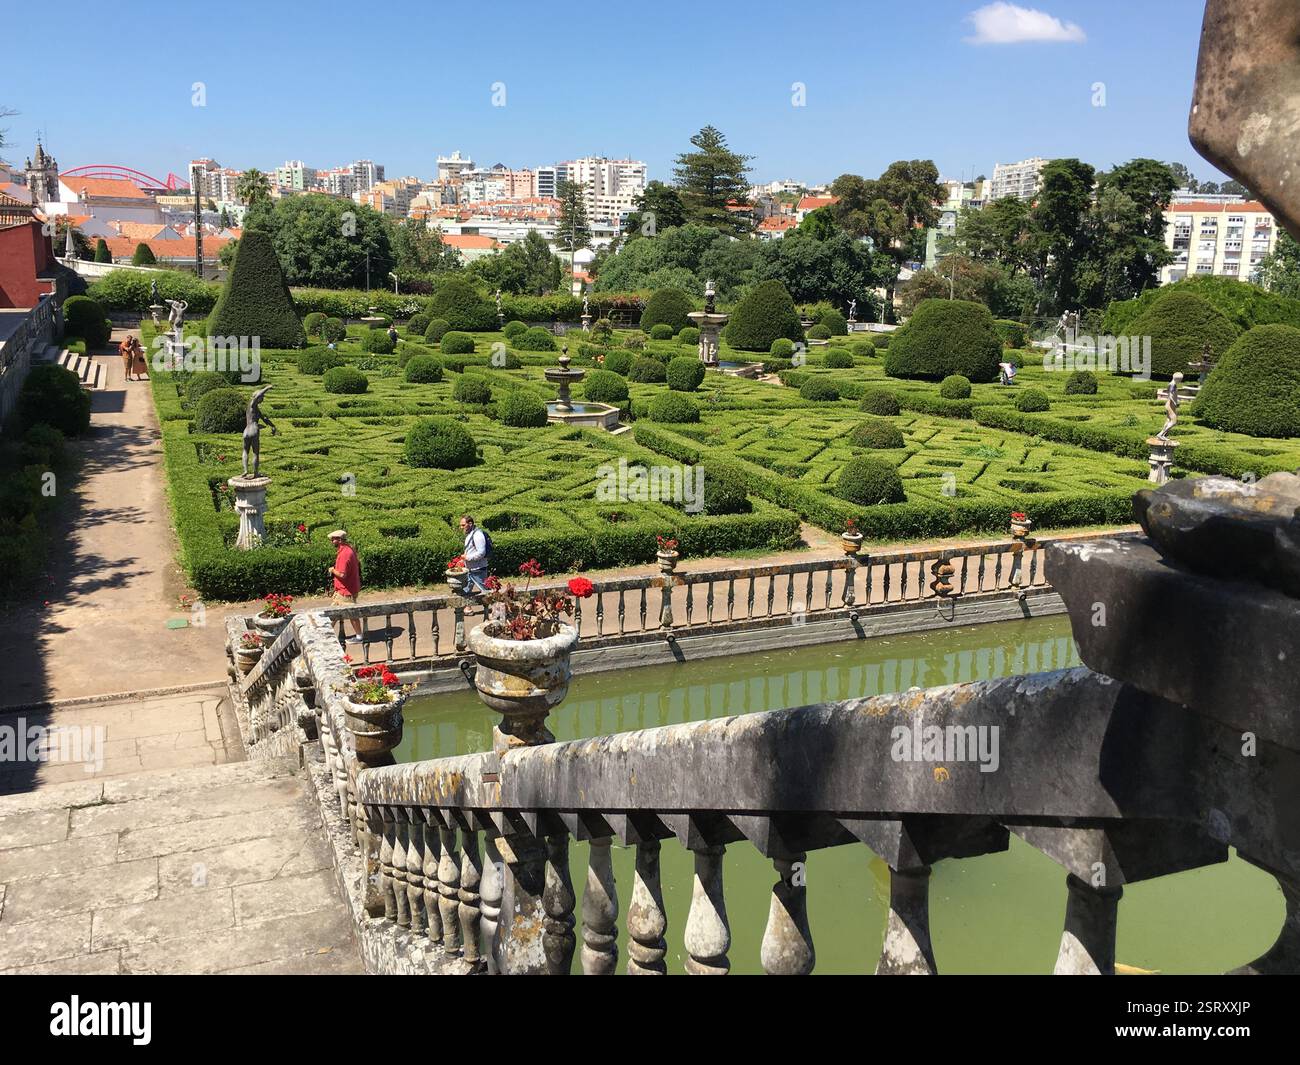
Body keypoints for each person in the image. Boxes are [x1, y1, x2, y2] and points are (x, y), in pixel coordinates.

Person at [328, 530, 363, 643]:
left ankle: (359, 637)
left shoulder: (344, 554)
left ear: (339, 540)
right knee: (334, 613)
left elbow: (342, 574)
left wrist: (332, 570)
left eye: (333, 539)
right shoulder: (348, 549)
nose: (331, 541)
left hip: (345, 590)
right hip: (346, 588)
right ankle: (326, 635)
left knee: (350, 614)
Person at [459, 515, 493, 597]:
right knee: (465, 591)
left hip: (478, 570)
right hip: (471, 569)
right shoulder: (470, 534)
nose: (461, 527)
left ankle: (492, 608)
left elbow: (481, 553)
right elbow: (470, 550)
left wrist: (467, 558)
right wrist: (463, 561)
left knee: (486, 593)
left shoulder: (478, 535)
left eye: (463, 525)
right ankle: (467, 608)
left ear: (470, 524)